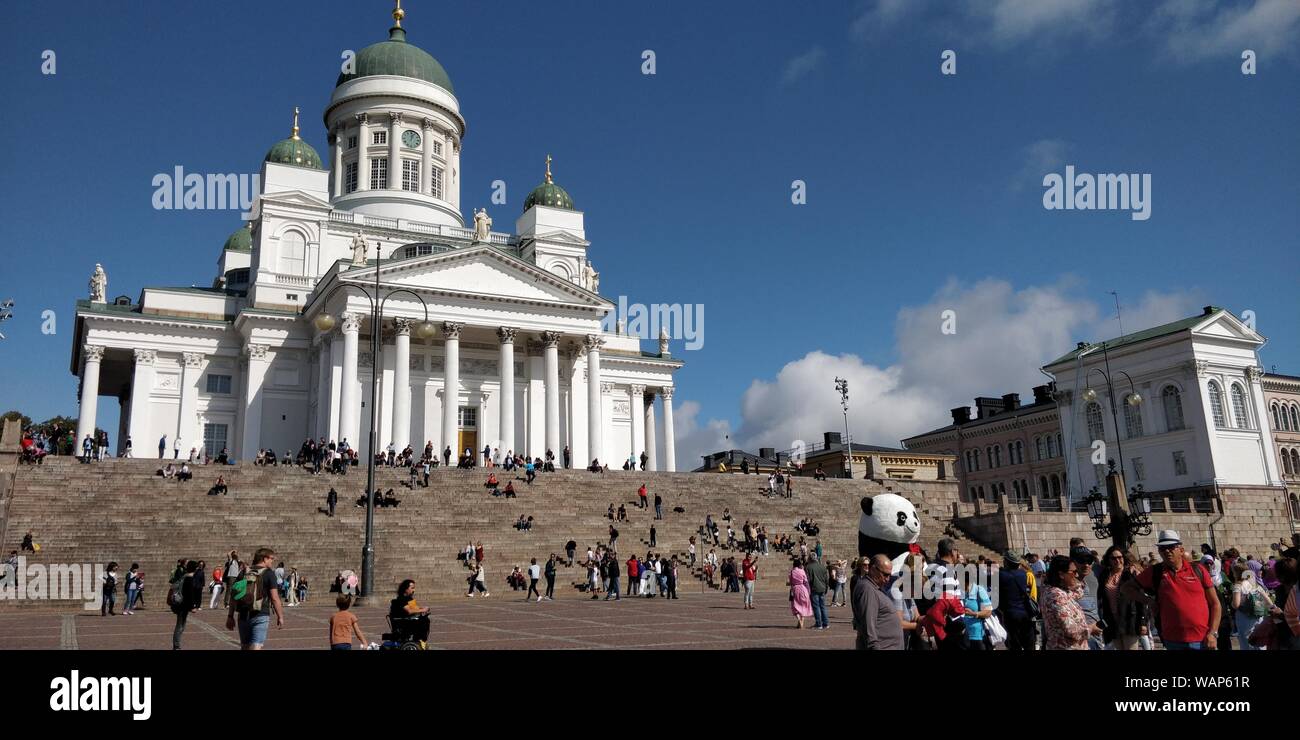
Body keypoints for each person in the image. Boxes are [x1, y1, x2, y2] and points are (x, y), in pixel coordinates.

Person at [1121, 530, 1219, 650]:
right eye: (1162, 548)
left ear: (1181, 550)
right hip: (1173, 640)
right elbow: (1126, 588)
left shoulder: (1198, 570)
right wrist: (1148, 601)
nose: (1167, 551)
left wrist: (1213, 633)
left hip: (1202, 639)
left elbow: (1215, 604)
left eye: (1170, 547)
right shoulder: (1155, 572)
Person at [226, 547, 284, 650]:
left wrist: (230, 616)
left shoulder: (244, 572)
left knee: (244, 647)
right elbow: (275, 598)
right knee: (256, 646)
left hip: (243, 615)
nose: (272, 561)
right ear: (265, 559)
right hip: (260, 614)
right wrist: (280, 616)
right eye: (271, 558)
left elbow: (233, 596)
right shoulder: (269, 573)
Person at [852, 555, 905, 650]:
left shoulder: (874, 587)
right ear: (873, 569)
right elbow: (868, 628)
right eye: (885, 574)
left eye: (889, 575)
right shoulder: (867, 590)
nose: (888, 579)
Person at [1042, 555, 1091, 650]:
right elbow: (1071, 630)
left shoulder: (1056, 591)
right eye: (1074, 572)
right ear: (1061, 574)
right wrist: (1091, 629)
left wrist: (1077, 582)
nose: (1076, 575)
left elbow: (1077, 593)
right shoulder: (1056, 595)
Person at [1230, 562, 1279, 650]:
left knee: (1247, 642)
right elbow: (1269, 601)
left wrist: (1232, 604)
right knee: (1259, 639)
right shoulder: (1255, 585)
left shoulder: (1238, 586)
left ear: (1236, 573)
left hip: (1244, 618)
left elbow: (1236, 604)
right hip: (1258, 616)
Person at [997, 550, 1037, 650]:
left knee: (1014, 643)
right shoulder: (1024, 574)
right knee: (1028, 643)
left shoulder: (1001, 575)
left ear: (1006, 562)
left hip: (1010, 614)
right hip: (1026, 613)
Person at [390, 580, 431, 644]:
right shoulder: (401, 599)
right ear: (405, 589)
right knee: (422, 621)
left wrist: (423, 608)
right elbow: (410, 611)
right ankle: (419, 641)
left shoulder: (410, 598)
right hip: (402, 623)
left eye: (414, 588)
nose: (414, 590)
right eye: (412, 588)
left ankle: (420, 640)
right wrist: (422, 610)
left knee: (425, 619)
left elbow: (415, 608)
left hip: (408, 621)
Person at [171, 560, 198, 649]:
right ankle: (176, 646)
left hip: (181, 604)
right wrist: (192, 606)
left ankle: (176, 645)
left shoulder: (185, 576)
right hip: (183, 605)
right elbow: (189, 594)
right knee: (180, 626)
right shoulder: (189, 578)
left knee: (181, 625)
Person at [805, 554, 831, 630]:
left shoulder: (808, 567)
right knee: (823, 606)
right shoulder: (822, 567)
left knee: (816, 607)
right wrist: (826, 588)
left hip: (814, 588)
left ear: (810, 559)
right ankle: (825, 623)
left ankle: (818, 623)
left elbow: (808, 580)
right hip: (822, 588)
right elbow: (826, 579)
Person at [788, 559, 813, 628]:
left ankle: (799, 620)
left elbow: (790, 581)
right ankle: (802, 621)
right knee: (803, 605)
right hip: (803, 588)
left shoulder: (792, 572)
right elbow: (805, 581)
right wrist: (808, 590)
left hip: (795, 589)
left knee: (795, 605)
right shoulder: (802, 571)